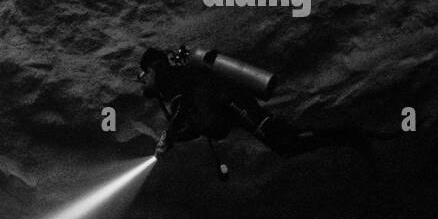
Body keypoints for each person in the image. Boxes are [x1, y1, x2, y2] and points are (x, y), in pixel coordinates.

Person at [138, 47, 375, 161]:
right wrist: (173, 137)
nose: (142, 81)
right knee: (286, 146)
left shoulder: (175, 78)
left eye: (143, 75)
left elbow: (184, 107)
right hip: (232, 107)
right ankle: (346, 134)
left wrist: (168, 137)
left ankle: (347, 133)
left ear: (153, 69)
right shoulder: (173, 87)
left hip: (235, 103)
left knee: (285, 141)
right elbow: (193, 121)